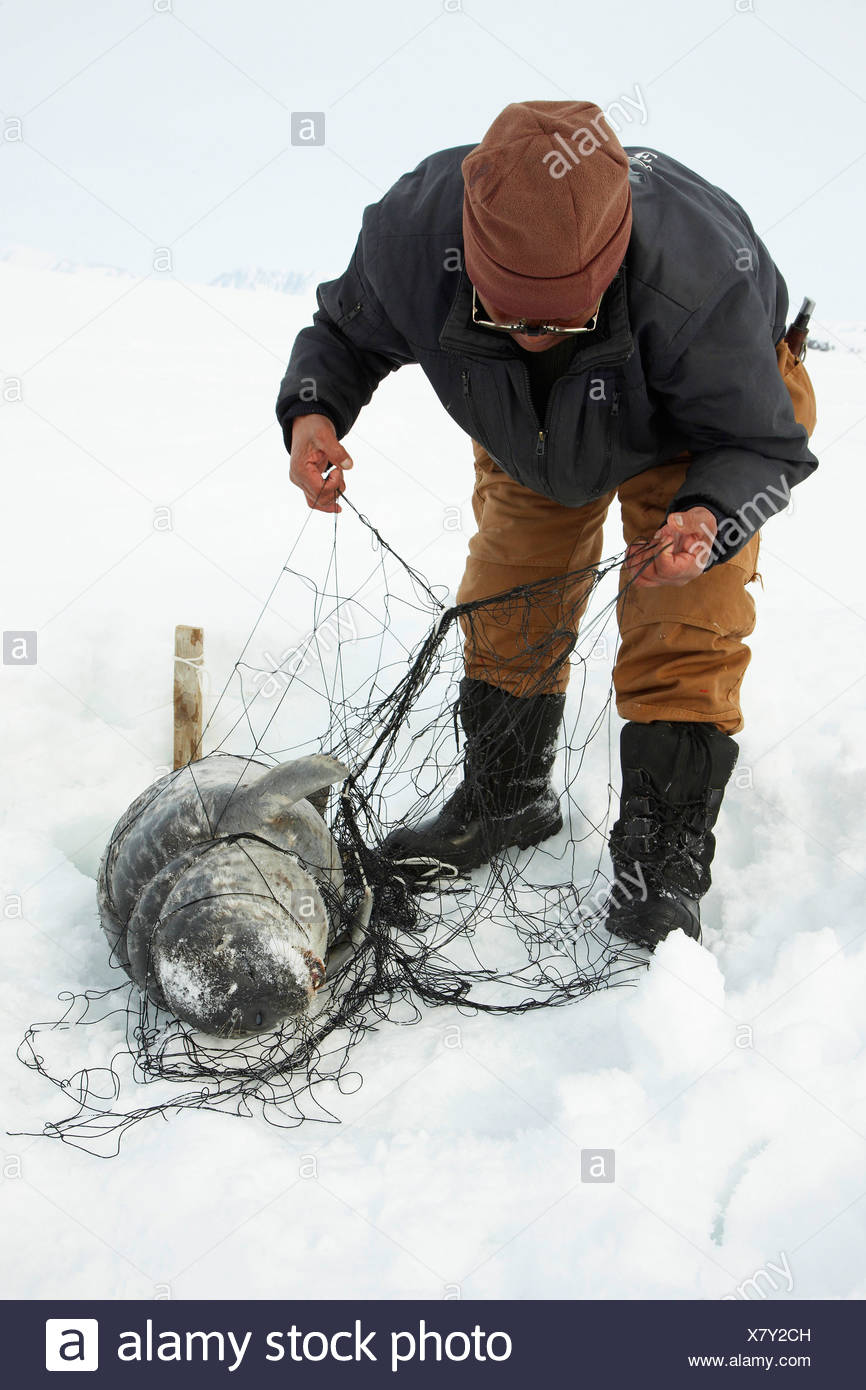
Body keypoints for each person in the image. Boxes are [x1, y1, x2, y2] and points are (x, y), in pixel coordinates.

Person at [276, 100, 818, 950]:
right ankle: (507, 794)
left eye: (559, 322)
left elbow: (761, 441)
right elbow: (343, 335)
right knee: (508, 593)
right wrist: (315, 411)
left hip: (697, 432)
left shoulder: (698, 282)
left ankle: (664, 852)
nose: (532, 337)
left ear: (609, 268)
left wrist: (709, 514)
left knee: (687, 620)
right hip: (530, 433)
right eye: (507, 317)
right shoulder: (415, 236)